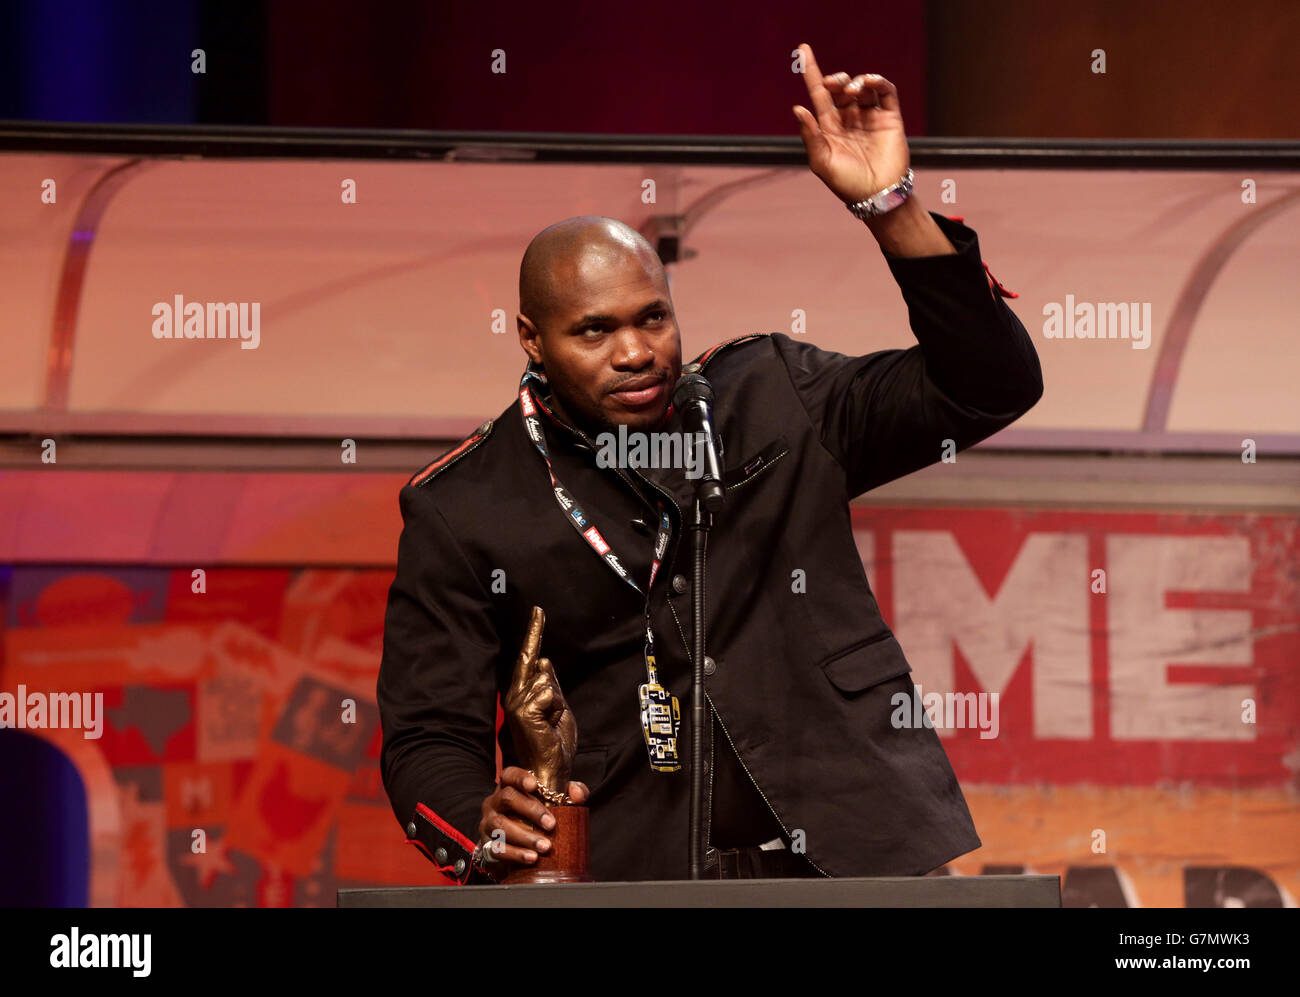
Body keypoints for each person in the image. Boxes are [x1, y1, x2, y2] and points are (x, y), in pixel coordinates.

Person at [377, 42, 1042, 883]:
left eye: (653, 318)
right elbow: (428, 736)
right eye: (594, 330)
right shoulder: (465, 502)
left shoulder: (771, 394)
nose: (635, 351)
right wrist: (476, 823)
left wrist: (890, 208)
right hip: (633, 877)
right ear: (531, 340)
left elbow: (991, 386)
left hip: (858, 859)